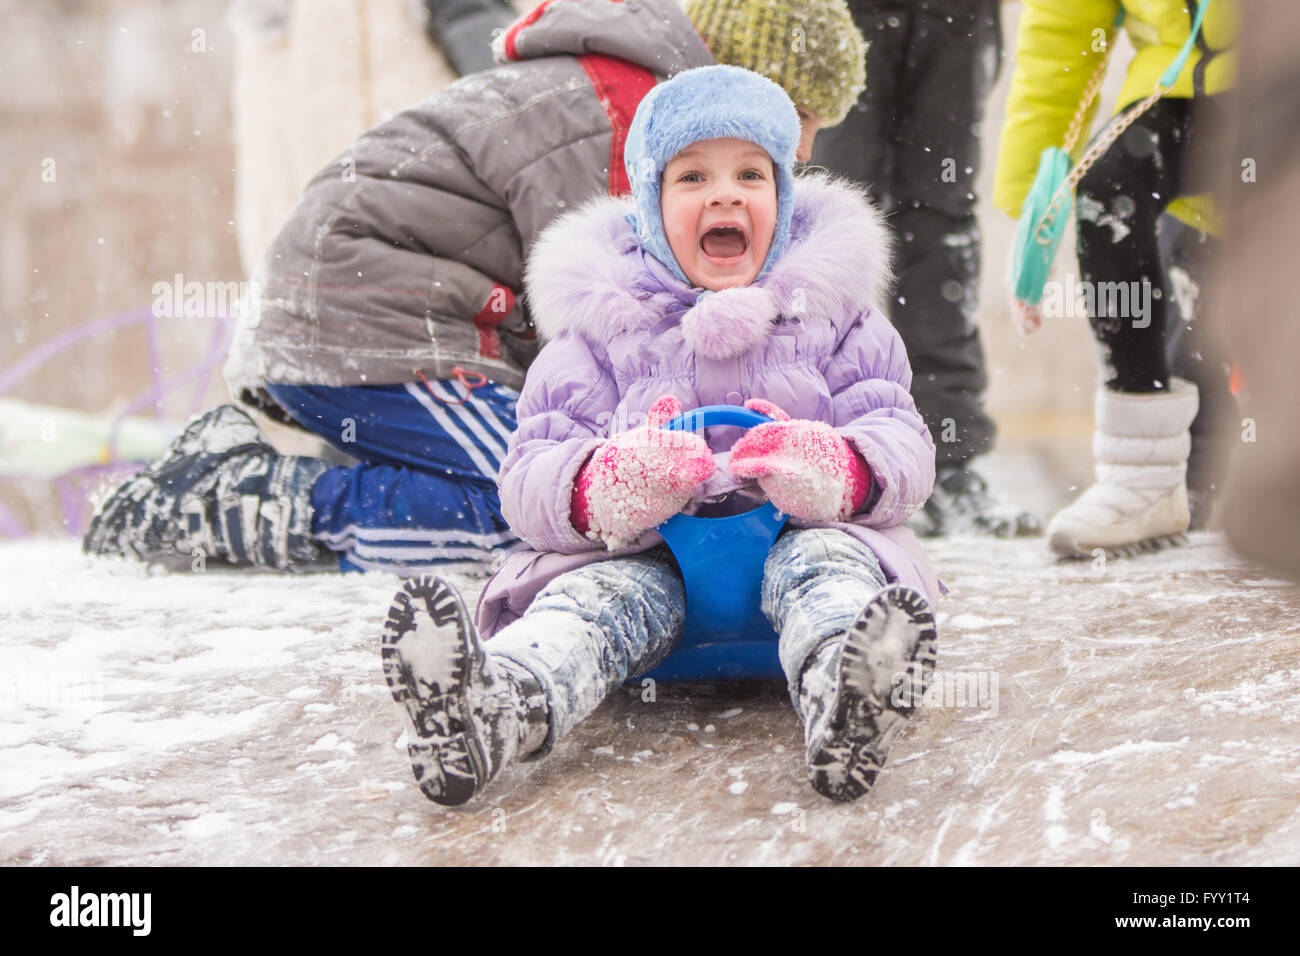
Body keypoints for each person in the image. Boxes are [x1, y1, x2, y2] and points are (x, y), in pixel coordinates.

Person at [83, 0, 867, 576]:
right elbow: (621, 326)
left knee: (562, 498)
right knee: (542, 515)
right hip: (374, 326)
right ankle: (254, 502)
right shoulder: (632, 126)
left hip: (380, 318)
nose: (790, 165)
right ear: (742, 88)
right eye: (790, 126)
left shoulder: (615, 91)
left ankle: (272, 489)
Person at [379, 66, 941, 807]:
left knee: (830, 570)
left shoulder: (836, 321)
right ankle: (495, 704)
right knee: (589, 605)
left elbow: (901, 438)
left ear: (781, 195)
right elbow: (527, 475)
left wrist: (839, 469)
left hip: (796, 538)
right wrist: (601, 485)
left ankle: (848, 686)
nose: (726, 194)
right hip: (644, 561)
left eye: (751, 173)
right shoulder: (599, 335)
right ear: (648, 204)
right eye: (692, 178)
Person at [994, 0, 1237, 557]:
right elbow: (1062, 33)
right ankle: (1143, 480)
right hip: (1178, 96)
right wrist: (1037, 207)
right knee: (1109, 189)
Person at [811, 0, 1040, 539]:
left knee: (942, 215)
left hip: (955, 12)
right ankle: (830, 447)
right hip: (836, 11)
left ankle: (950, 464)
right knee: (832, 209)